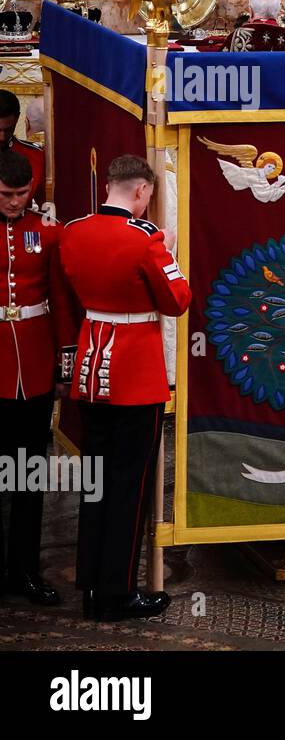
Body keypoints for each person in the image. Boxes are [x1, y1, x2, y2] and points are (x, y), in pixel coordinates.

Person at [60, 155, 191, 621]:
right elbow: (177, 301)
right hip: (134, 371)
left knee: (95, 481)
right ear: (140, 192)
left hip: (91, 363)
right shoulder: (146, 240)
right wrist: (168, 253)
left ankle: (92, 585)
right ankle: (116, 594)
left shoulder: (73, 230)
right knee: (129, 487)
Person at [0, 152, 76, 607]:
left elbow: (61, 301)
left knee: (29, 472)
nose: (13, 203)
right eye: (5, 195)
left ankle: (25, 570)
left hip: (34, 360)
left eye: (20, 194)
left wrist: (65, 366)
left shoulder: (48, 231)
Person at [0, 91, 44, 209]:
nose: (2, 137)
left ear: (17, 118)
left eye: (8, 129)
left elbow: (46, 209)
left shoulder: (35, 156)